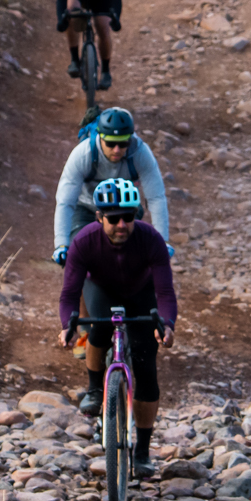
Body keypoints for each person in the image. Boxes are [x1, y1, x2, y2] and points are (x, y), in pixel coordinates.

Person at [58, 179, 178, 467]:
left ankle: (142, 452)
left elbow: (165, 291)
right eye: (114, 219)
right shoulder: (84, 241)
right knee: (99, 326)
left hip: (142, 293)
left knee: (146, 368)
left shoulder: (151, 239)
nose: (122, 224)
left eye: (129, 216)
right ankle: (95, 388)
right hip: (101, 290)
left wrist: (167, 324)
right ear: (99, 217)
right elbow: (70, 293)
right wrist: (67, 326)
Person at [54, 108, 168, 266]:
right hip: (87, 208)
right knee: (78, 255)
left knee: (132, 257)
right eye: (111, 143)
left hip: (125, 209)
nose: (117, 149)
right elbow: (65, 202)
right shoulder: (83, 154)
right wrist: (61, 244)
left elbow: (156, 198)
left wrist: (162, 241)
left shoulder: (140, 153)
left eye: (123, 143)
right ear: (100, 137)